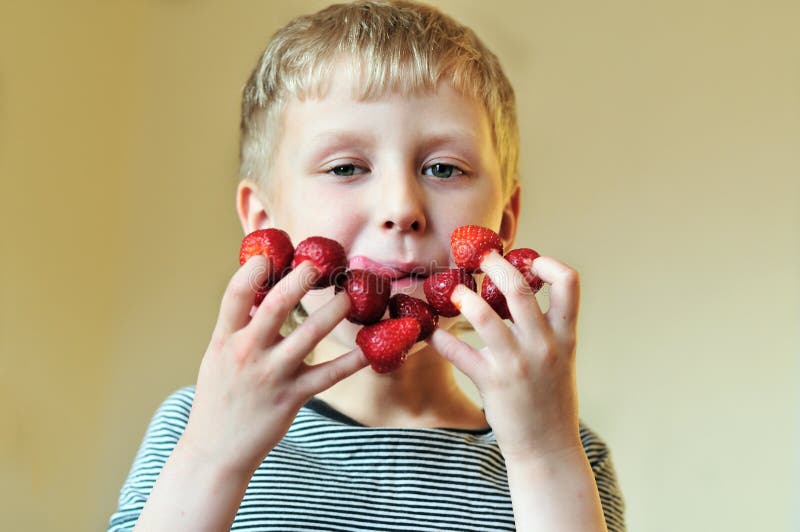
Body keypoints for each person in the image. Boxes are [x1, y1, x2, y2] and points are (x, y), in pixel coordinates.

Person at [108, 1, 626, 530]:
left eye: (443, 168)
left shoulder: (569, 451)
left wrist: (545, 456)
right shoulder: (195, 427)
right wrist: (212, 457)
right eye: (346, 167)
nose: (402, 208)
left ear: (504, 221)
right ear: (264, 222)